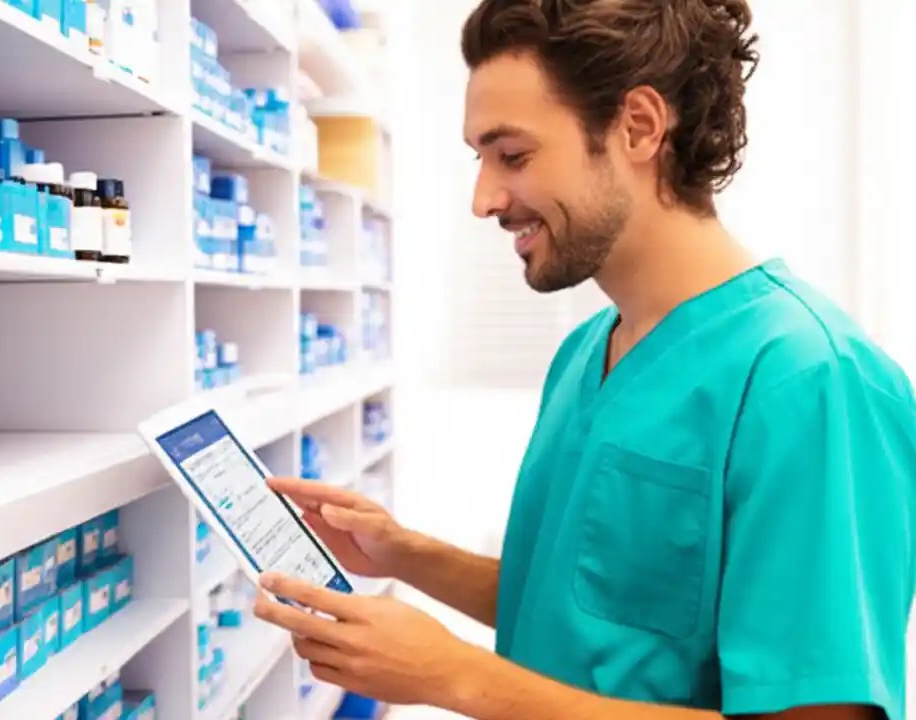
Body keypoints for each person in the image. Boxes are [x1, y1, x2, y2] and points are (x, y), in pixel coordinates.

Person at [253, 1, 916, 718]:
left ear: (638, 127)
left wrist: (459, 679)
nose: (483, 199)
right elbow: (588, 610)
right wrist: (402, 552)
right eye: (480, 159)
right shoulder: (587, 352)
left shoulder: (810, 380)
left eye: (513, 156)